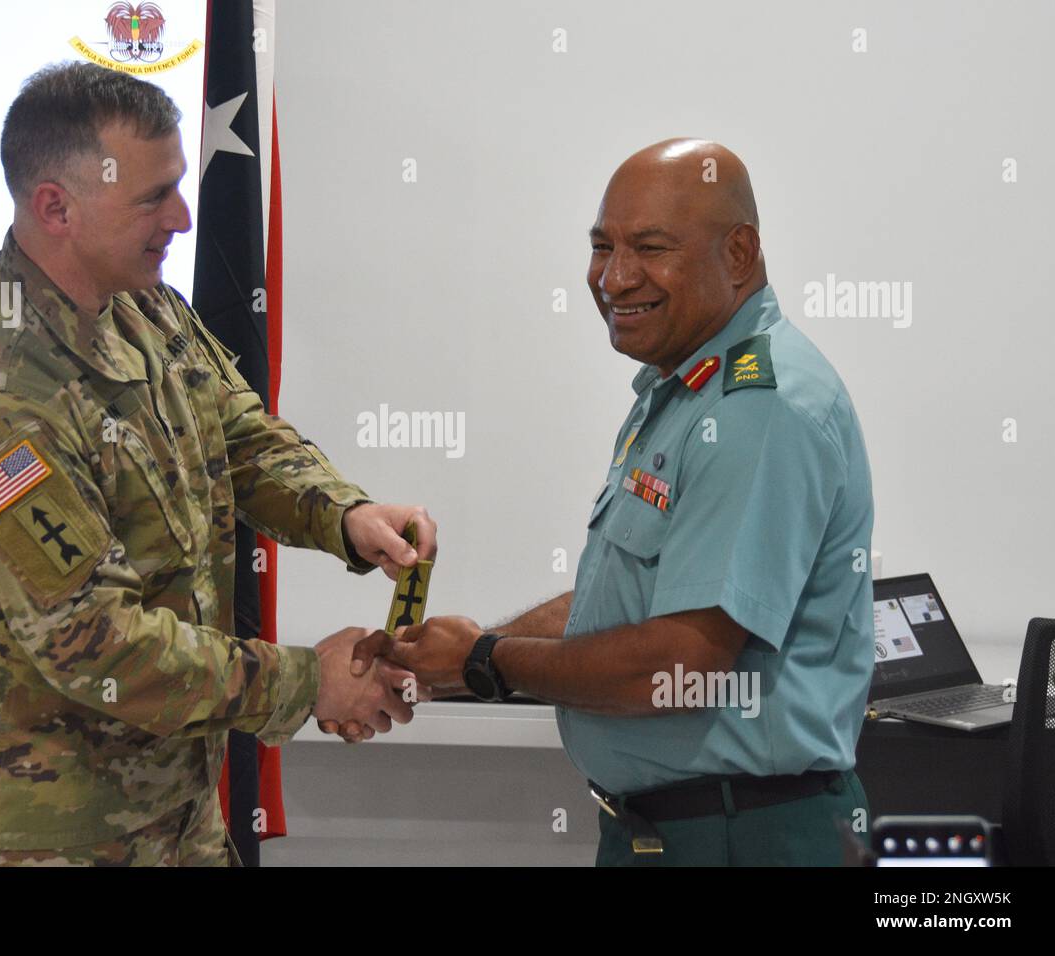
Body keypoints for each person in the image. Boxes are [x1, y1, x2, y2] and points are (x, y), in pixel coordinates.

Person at [0, 62, 434, 866]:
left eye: (178, 186)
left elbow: (239, 436)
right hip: (44, 834)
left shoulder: (141, 301)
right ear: (55, 207)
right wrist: (307, 683)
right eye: (153, 197)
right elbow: (95, 640)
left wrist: (343, 516)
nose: (181, 217)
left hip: (173, 810)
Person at [355, 138, 875, 866]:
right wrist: (465, 656)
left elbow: (681, 664)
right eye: (603, 246)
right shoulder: (685, 387)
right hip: (674, 833)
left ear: (739, 253)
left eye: (651, 247)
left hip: (743, 838)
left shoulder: (762, 404)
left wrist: (485, 660)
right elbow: (626, 604)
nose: (616, 276)